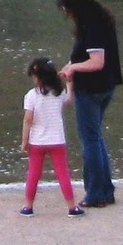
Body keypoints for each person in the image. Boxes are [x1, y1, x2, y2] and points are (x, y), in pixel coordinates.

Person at [57, 0, 123, 208]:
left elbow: (97, 62)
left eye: (68, 10)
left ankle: (95, 193)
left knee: (90, 140)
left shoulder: (93, 26)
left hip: (92, 89)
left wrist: (73, 68)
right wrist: (73, 66)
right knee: (96, 137)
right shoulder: (101, 22)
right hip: (106, 86)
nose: (68, 15)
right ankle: (106, 190)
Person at [20, 56, 84, 217]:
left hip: (37, 141)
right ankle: (71, 207)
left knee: (34, 173)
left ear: (37, 77)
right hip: (57, 140)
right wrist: (70, 85)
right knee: (63, 173)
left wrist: (24, 141)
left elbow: (28, 119)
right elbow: (69, 102)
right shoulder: (58, 92)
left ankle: (28, 207)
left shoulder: (31, 95)